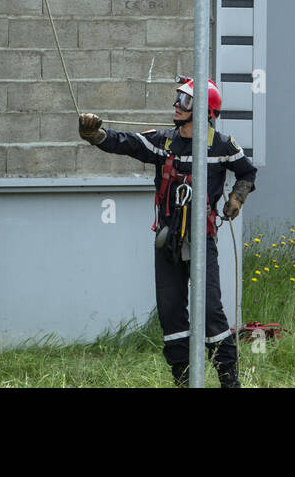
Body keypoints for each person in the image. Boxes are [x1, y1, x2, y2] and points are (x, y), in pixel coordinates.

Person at [77, 79, 256, 387]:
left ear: (204, 111)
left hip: (202, 240)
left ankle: (229, 380)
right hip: (168, 241)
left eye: (185, 102)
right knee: (171, 314)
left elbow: (247, 172)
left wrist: (236, 198)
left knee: (211, 311)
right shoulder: (163, 142)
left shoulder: (222, 145)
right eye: (178, 99)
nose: (177, 105)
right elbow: (126, 142)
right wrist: (94, 135)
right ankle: (184, 380)